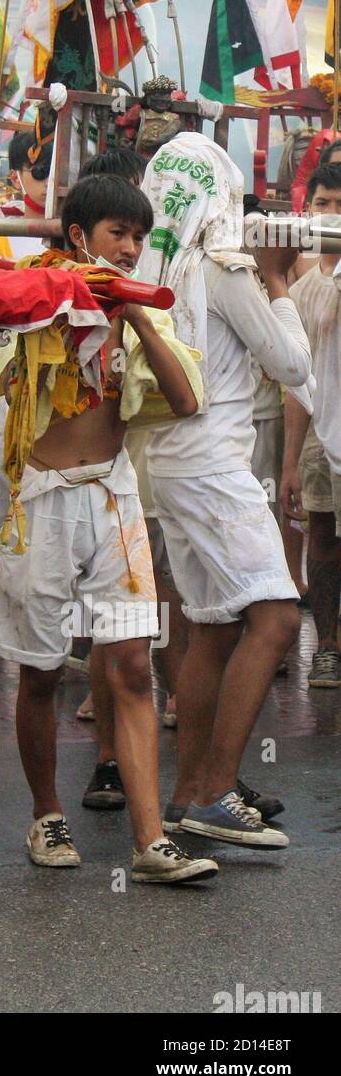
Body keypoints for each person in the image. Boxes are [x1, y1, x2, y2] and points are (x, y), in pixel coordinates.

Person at [0, 173, 216, 883]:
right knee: (42, 672)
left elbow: (184, 401)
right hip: (44, 500)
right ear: (79, 236)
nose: (130, 248)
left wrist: (141, 318)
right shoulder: (37, 297)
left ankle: (151, 841)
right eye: (118, 232)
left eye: (140, 238)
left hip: (114, 500)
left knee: (130, 670)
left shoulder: (143, 313)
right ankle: (47, 814)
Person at [137, 134, 312, 847]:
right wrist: (277, 281)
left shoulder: (162, 261)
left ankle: (189, 791)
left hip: (174, 464)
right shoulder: (224, 265)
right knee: (276, 617)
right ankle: (213, 790)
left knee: (211, 628)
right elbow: (293, 363)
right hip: (213, 465)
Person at [281, 162, 341, 690]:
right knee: (321, 536)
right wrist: (291, 463)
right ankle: (326, 647)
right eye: (323, 204)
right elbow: (296, 387)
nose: (331, 214)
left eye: (340, 205)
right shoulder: (300, 294)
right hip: (322, 438)